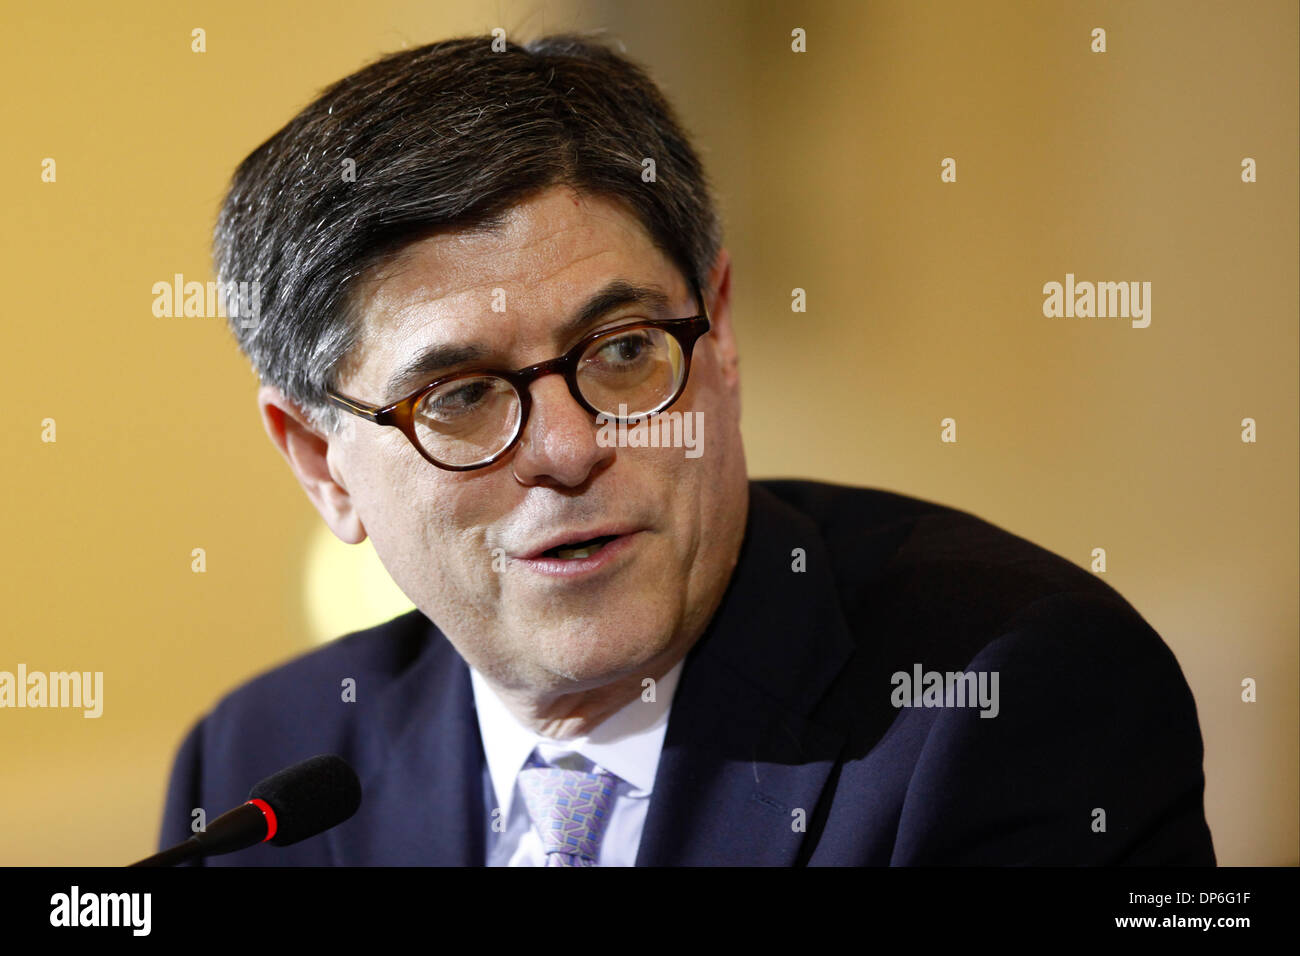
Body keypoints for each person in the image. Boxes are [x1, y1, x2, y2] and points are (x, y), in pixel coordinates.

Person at [158, 32, 1215, 865]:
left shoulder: (1009, 695)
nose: (571, 446)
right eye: (464, 394)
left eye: (623, 349)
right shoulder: (259, 765)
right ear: (320, 462)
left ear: (719, 331)